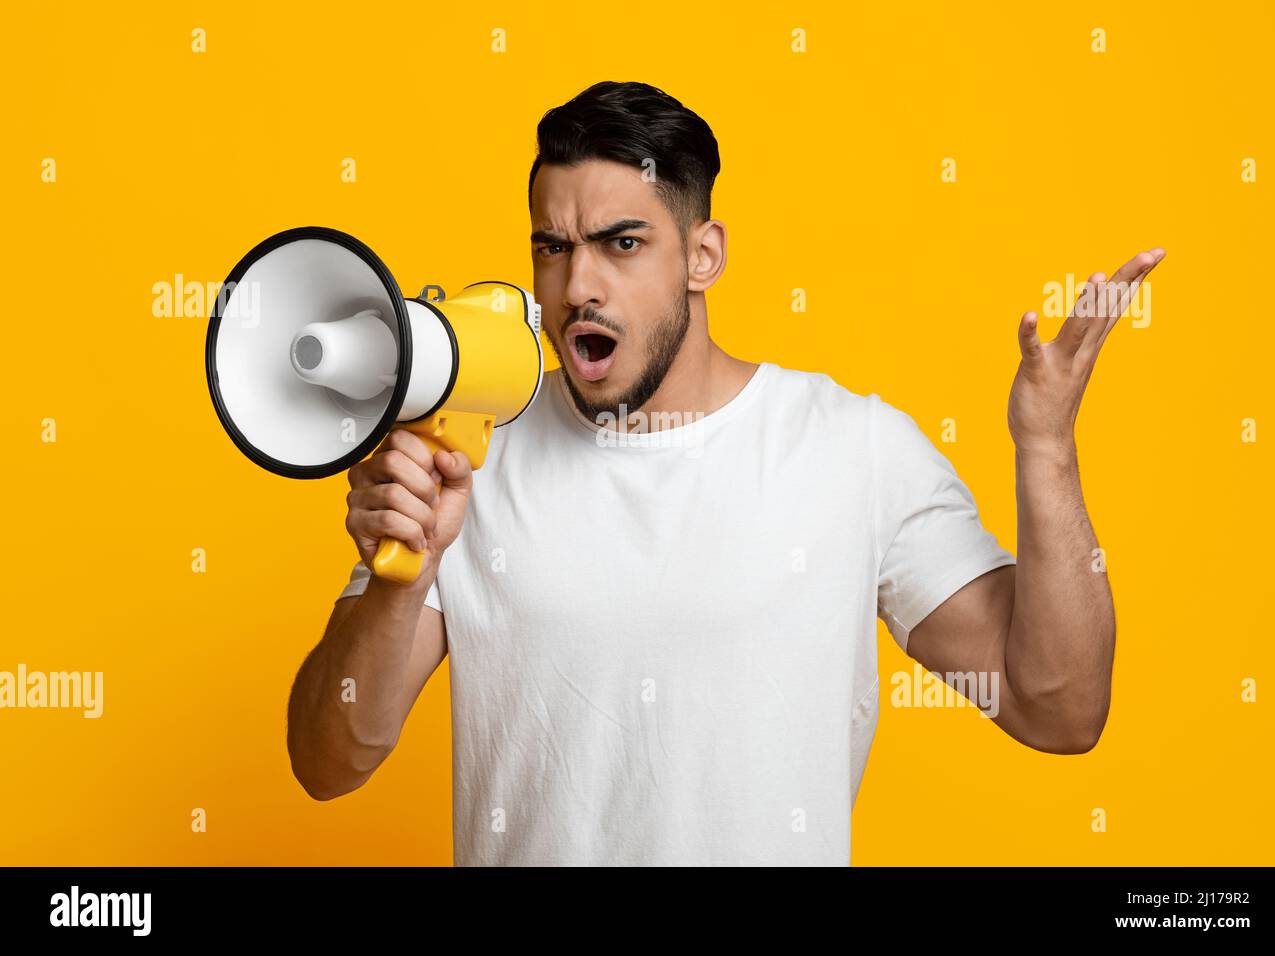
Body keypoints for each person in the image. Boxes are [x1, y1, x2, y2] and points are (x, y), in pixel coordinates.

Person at [286, 80, 1163, 866]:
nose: (578, 286)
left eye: (620, 243)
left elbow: (1059, 710)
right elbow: (327, 762)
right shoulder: (469, 458)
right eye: (552, 248)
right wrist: (405, 578)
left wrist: (1045, 449)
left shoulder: (851, 448)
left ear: (703, 255)